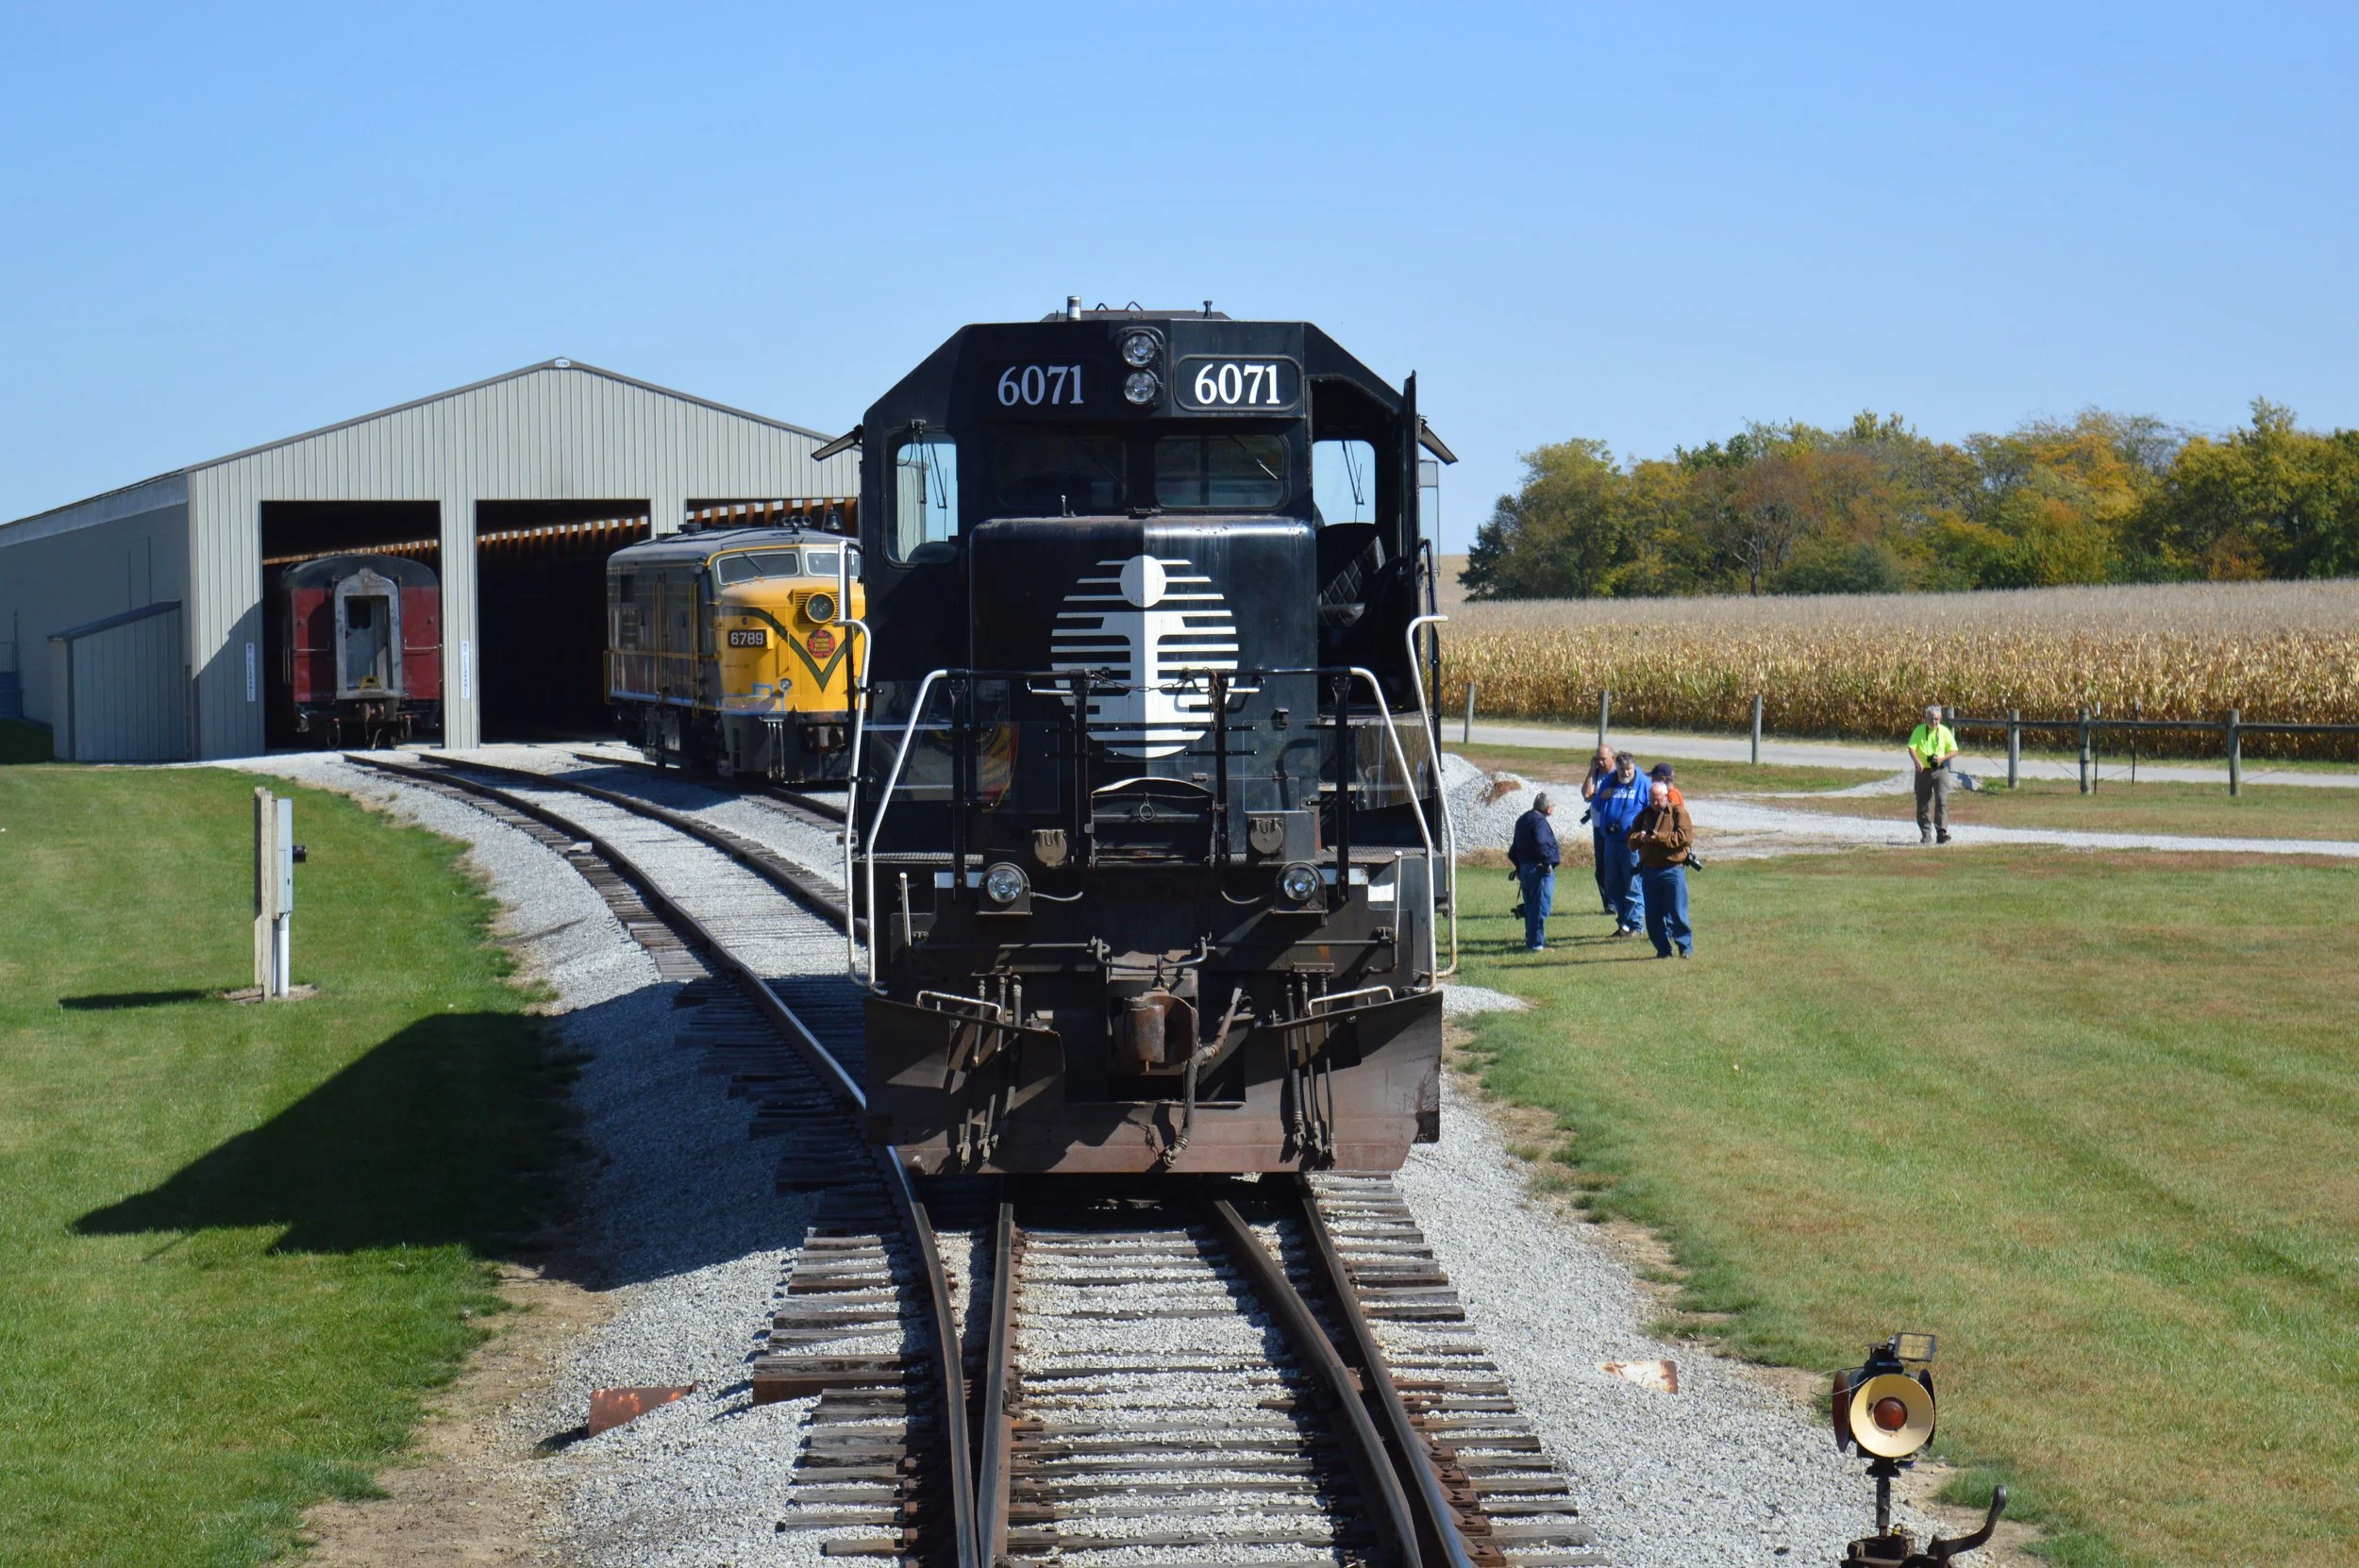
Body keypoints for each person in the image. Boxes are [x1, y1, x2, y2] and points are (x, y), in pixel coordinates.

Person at [1628, 776, 1695, 959]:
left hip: (1673, 869)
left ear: (1666, 796)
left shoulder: (1678, 813)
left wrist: (1658, 837)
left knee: (1678, 911)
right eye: (1652, 800)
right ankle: (1663, 950)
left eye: (1658, 799)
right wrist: (1640, 838)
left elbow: (1684, 837)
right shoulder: (1644, 815)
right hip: (1649, 871)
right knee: (1652, 915)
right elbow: (1630, 840)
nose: (1655, 803)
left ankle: (1685, 947)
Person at [1590, 752, 1652, 936]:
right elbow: (1595, 805)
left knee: (1633, 884)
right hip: (1610, 842)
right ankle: (1623, 924)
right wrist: (1603, 796)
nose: (1625, 773)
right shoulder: (1610, 781)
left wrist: (1644, 832)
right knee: (1613, 885)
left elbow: (1653, 810)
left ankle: (1636, 926)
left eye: (1628, 769)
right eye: (1622, 769)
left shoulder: (1643, 783)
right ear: (1616, 768)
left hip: (1631, 844)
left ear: (1634, 767)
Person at [1507, 792, 1561, 952]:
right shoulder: (1539, 822)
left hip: (1525, 870)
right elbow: (1542, 843)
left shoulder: (1523, 820)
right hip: (1539, 870)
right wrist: (1547, 863)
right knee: (1540, 909)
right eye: (1553, 806)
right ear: (1548, 808)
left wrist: (1519, 866)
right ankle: (1536, 945)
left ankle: (1530, 942)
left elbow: (1513, 850)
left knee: (1531, 908)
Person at [1907, 705, 1961, 845]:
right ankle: (1926, 834)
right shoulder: (1919, 730)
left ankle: (1941, 832)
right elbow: (1911, 748)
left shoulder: (1944, 731)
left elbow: (1954, 750)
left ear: (1940, 719)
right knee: (1922, 803)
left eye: (1936, 719)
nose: (1934, 722)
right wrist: (1917, 761)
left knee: (1942, 801)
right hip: (1922, 771)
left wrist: (1942, 758)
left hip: (1940, 770)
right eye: (1931, 719)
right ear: (1926, 718)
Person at [1579, 746, 1617, 914]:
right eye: (1597, 759)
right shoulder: (1596, 774)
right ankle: (1609, 904)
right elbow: (1587, 794)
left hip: (1614, 828)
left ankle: (1617, 901)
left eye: (1603, 759)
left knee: (1614, 866)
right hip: (1598, 827)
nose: (1600, 762)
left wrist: (1599, 795)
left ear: (1612, 759)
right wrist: (1591, 770)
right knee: (1601, 869)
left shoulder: (1618, 775)